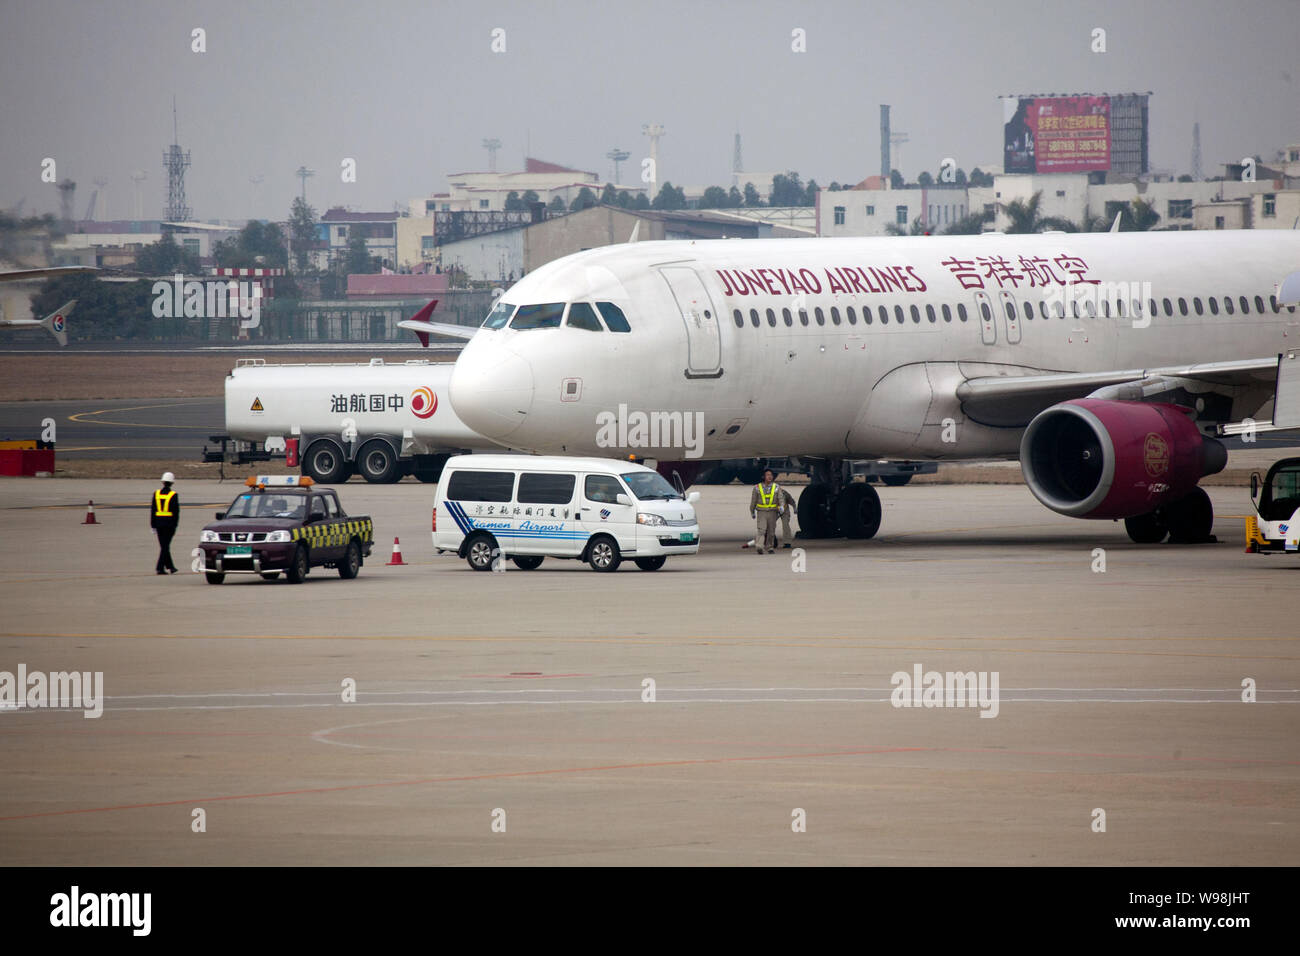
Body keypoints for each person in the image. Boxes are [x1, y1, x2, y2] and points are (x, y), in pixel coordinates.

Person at [151, 471, 180, 574]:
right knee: (165, 547)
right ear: (172, 483)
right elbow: (176, 512)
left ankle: (171, 566)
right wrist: (175, 525)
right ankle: (159, 568)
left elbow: (153, 510)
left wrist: (153, 525)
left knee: (164, 546)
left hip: (159, 524)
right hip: (169, 525)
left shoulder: (156, 494)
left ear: (163, 482)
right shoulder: (173, 495)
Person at [749, 468, 781, 554]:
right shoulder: (757, 488)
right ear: (763, 476)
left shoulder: (776, 487)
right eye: (767, 475)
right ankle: (759, 546)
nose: (769, 477)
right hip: (762, 512)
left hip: (772, 512)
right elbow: (753, 501)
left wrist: (781, 506)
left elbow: (780, 498)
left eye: (771, 475)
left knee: (771, 531)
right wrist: (752, 511)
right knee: (761, 530)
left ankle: (769, 547)